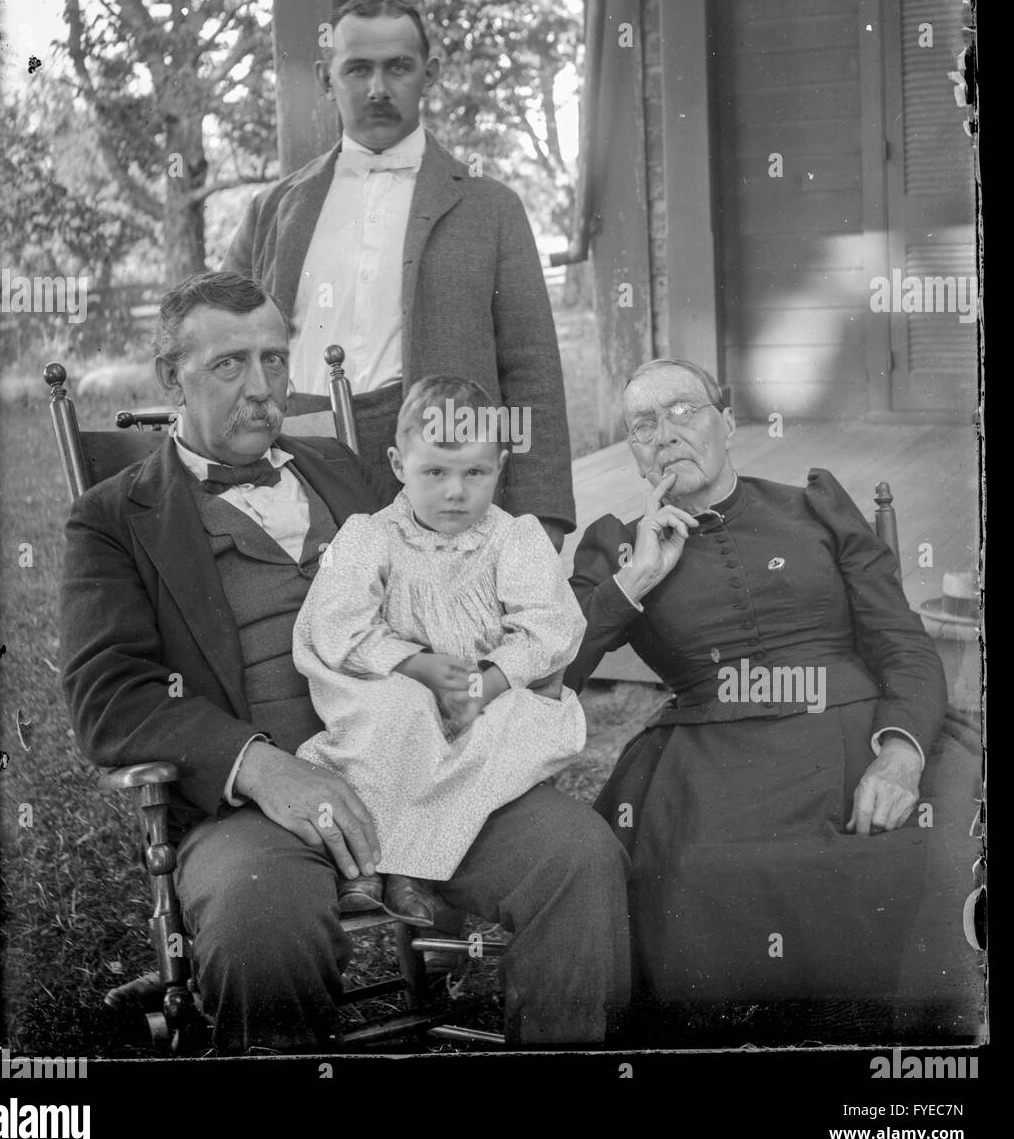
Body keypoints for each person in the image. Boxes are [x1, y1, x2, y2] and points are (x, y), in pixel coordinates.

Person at [61, 271, 630, 1052]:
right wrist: (261, 767)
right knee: (261, 920)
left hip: (431, 772)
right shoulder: (114, 519)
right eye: (230, 365)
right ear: (172, 377)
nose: (262, 389)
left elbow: (468, 549)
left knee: (578, 858)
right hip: (259, 809)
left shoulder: (346, 467)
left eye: (274, 359)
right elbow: (108, 698)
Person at [564, 357, 952, 1038]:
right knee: (697, 873)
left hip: (852, 730)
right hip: (708, 754)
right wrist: (635, 580)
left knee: (908, 858)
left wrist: (899, 755)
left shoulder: (813, 509)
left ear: (728, 423)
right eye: (642, 424)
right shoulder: (617, 546)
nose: (663, 433)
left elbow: (902, 644)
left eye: (684, 410)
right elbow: (554, 674)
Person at [224, 0, 574, 550]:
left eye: (399, 68)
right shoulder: (272, 209)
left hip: (437, 469)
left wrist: (543, 518)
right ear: (325, 76)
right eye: (357, 69)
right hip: (297, 464)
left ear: (429, 73)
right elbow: (226, 350)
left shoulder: (490, 207)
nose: (378, 89)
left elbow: (531, 370)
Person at [292, 376, 588, 925]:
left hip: (489, 693)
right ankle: (374, 867)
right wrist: (419, 665)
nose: (455, 492)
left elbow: (551, 628)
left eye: (474, 472)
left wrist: (488, 684)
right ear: (398, 463)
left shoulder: (514, 538)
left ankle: (411, 867)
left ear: (500, 465)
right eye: (434, 472)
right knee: (397, 715)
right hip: (393, 685)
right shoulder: (367, 535)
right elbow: (337, 625)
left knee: (502, 728)